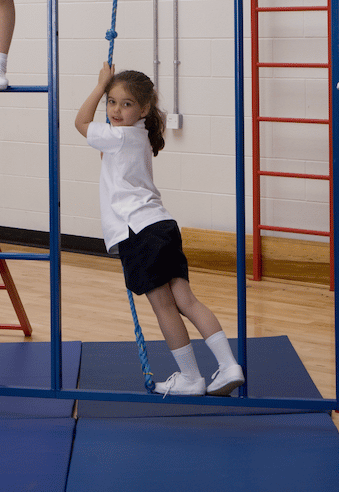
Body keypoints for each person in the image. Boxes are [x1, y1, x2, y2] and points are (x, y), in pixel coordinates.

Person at [75, 62, 245, 397]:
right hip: (162, 226)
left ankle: (192, 377)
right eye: (111, 101)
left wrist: (99, 86)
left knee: (164, 306)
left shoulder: (120, 136)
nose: (115, 110)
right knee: (187, 301)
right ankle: (229, 366)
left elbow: (80, 122)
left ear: (144, 108)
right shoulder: (137, 135)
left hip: (137, 231)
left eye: (125, 104)